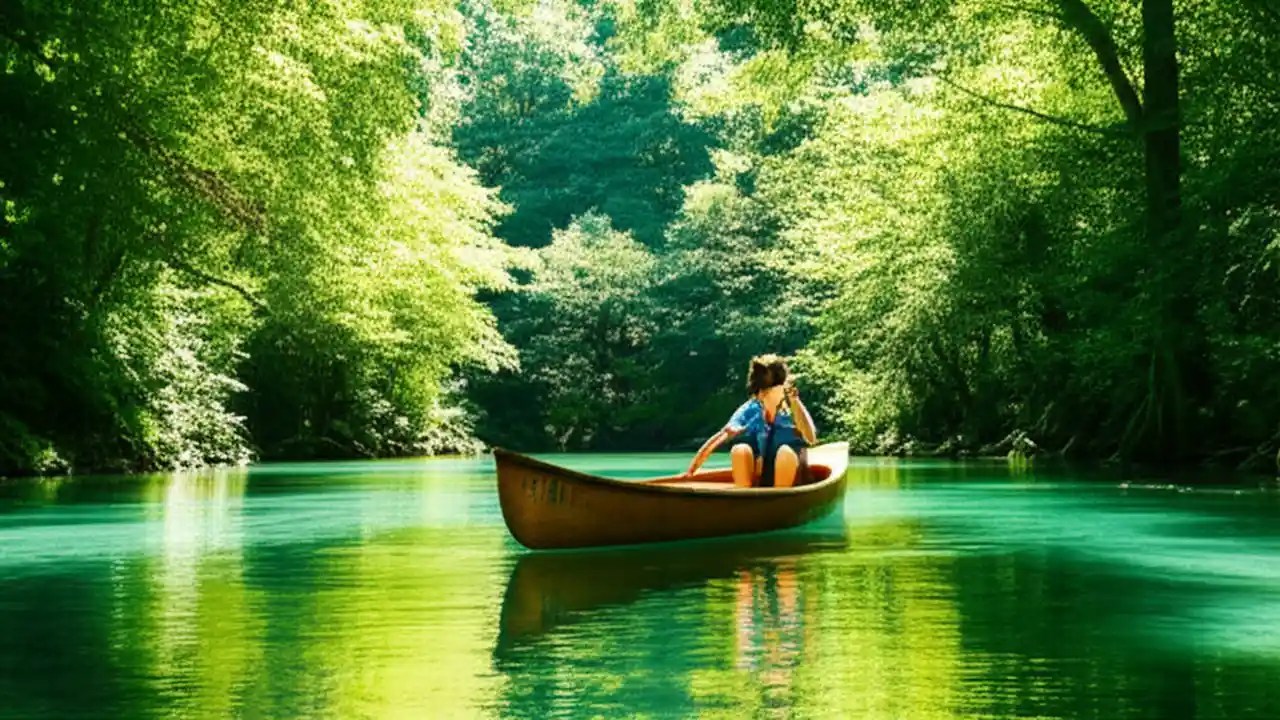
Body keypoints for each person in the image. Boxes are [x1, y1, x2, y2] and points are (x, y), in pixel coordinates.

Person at [683, 354, 818, 488]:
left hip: (792, 474)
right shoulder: (751, 409)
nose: (764, 394)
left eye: (769, 389)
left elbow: (811, 438)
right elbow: (717, 439)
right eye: (762, 391)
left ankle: (779, 500)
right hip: (764, 475)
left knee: (785, 453)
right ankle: (745, 497)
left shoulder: (791, 406)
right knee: (740, 450)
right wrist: (690, 472)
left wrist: (795, 402)